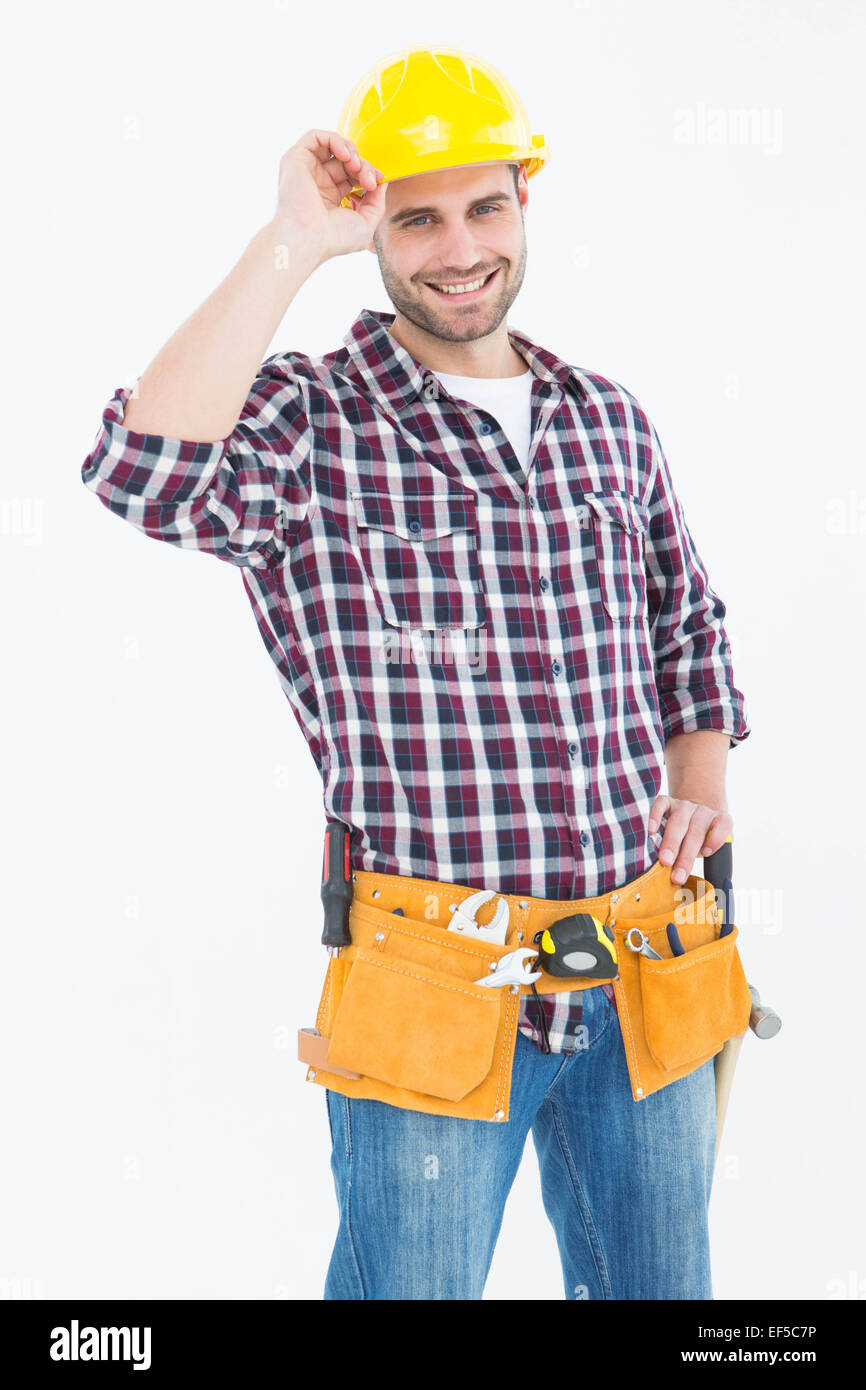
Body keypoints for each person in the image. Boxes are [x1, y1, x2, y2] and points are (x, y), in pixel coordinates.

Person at [81, 46, 751, 1300]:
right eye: (415, 216)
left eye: (482, 205)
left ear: (524, 200)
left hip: (647, 966)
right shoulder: (308, 423)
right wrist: (290, 238)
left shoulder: (605, 416)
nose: (457, 248)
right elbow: (142, 473)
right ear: (371, 231)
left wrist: (699, 781)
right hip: (434, 983)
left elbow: (686, 624)